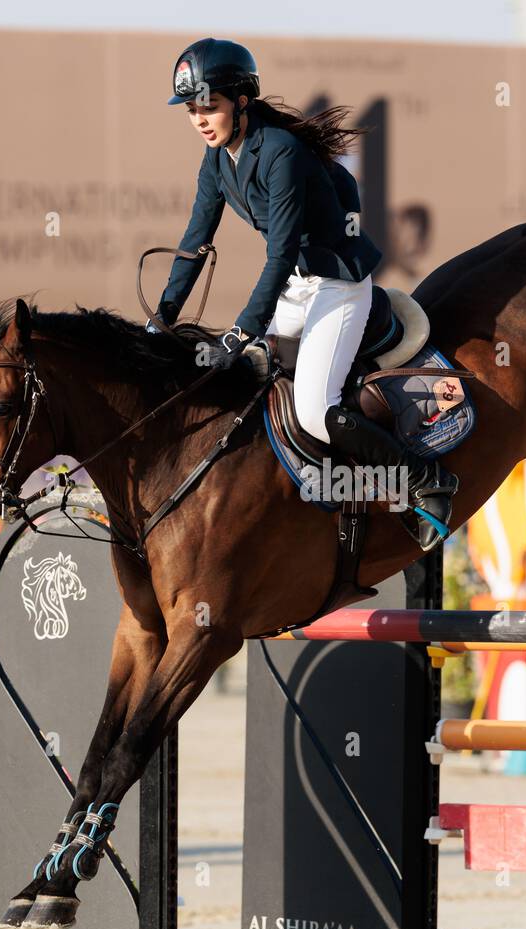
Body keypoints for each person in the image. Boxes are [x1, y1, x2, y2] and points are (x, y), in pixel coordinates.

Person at [148, 37, 458, 550]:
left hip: (337, 286)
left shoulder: (282, 154)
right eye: (191, 109)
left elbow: (278, 252)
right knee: (248, 379)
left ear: (241, 100)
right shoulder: (217, 159)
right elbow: (195, 242)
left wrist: (241, 330)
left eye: (210, 106)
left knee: (315, 408)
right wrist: (160, 319)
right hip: (296, 285)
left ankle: (425, 482)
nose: (200, 119)